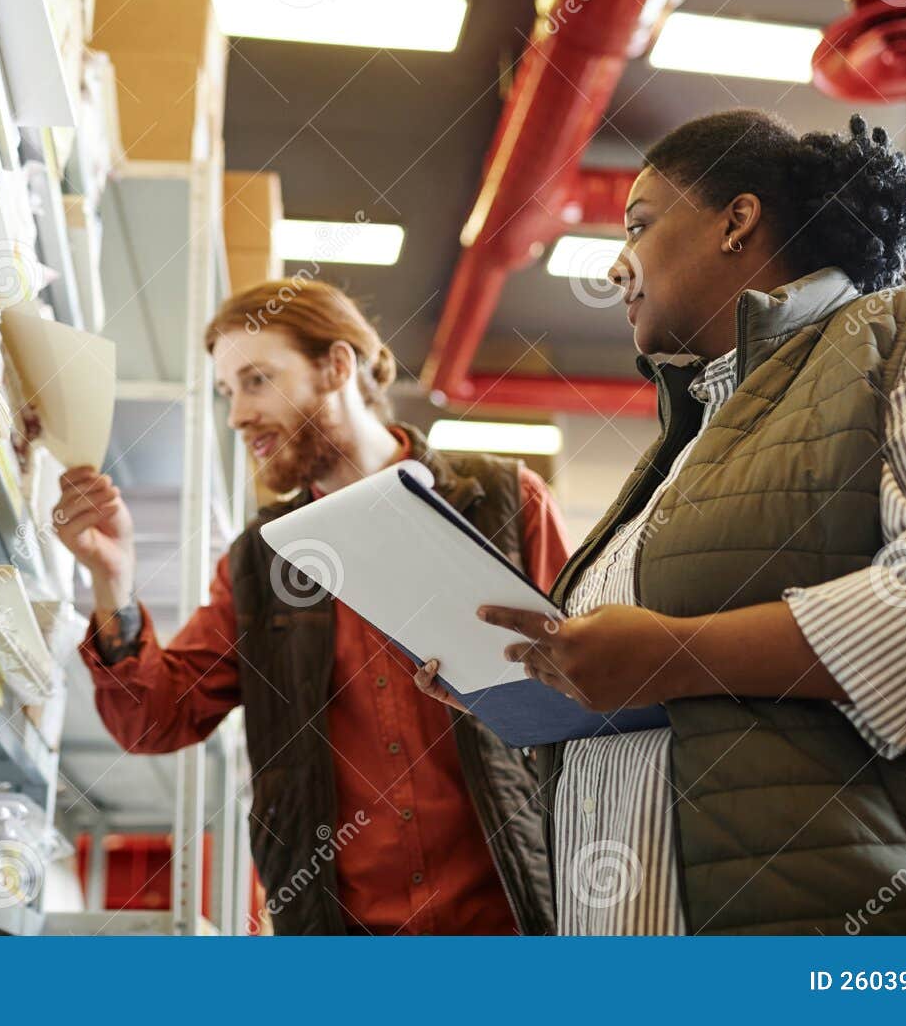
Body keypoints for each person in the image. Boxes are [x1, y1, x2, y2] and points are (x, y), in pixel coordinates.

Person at [418, 110, 906, 935]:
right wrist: (538, 690)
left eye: (639, 225)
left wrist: (676, 656)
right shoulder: (686, 450)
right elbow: (681, 704)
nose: (617, 264)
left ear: (737, 220)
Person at [55, 278, 563, 935]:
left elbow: (588, 685)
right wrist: (112, 581)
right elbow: (155, 719)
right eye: (227, 391)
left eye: (257, 379)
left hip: (514, 925)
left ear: (337, 366)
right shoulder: (261, 565)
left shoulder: (504, 503)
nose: (237, 414)